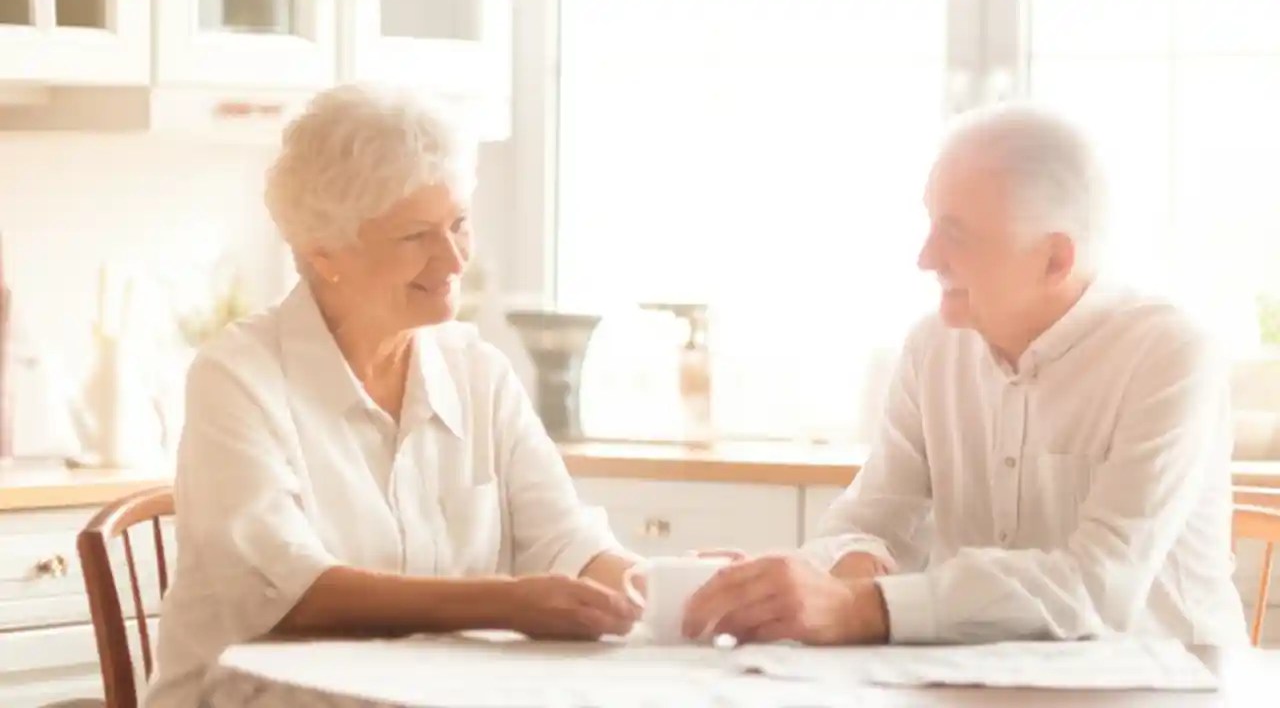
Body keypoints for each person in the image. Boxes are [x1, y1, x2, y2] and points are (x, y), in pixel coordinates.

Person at [147, 84, 640, 707]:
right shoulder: (239, 376)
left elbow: (568, 544)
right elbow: (293, 596)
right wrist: (510, 602)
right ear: (326, 254)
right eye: (416, 236)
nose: (454, 258)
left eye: (459, 224)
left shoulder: (478, 373)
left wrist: (663, 588)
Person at [683, 104, 1247, 647]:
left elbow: (1101, 586)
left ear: (1055, 259)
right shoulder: (933, 348)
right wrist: (824, 574)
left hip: (1167, 682)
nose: (925, 258)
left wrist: (863, 607)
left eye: (956, 234)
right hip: (979, 682)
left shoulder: (1170, 354)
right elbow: (871, 519)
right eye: (930, 224)